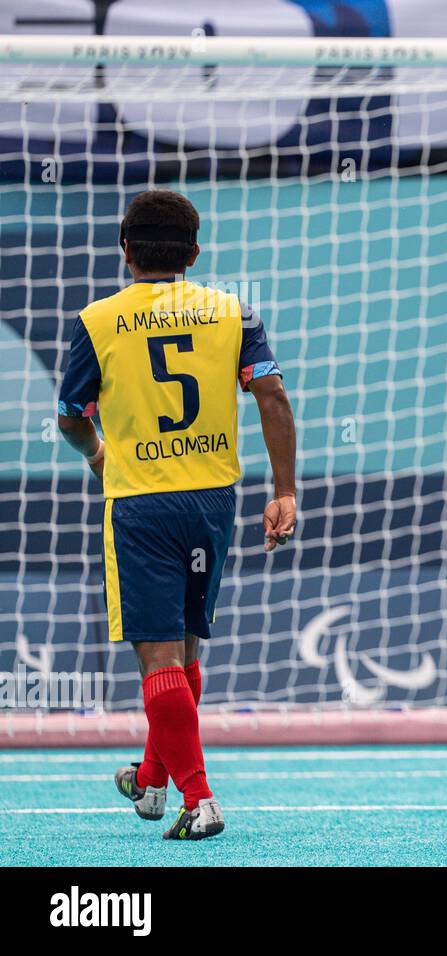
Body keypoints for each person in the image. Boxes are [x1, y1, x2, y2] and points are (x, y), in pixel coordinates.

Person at [57, 189, 297, 838]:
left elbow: (70, 417)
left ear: (125, 249)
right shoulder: (232, 312)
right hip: (213, 502)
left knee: (158, 658)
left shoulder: (99, 321)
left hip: (141, 504)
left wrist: (97, 451)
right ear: (194, 253)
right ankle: (153, 780)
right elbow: (272, 396)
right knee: (186, 653)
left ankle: (200, 798)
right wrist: (285, 490)